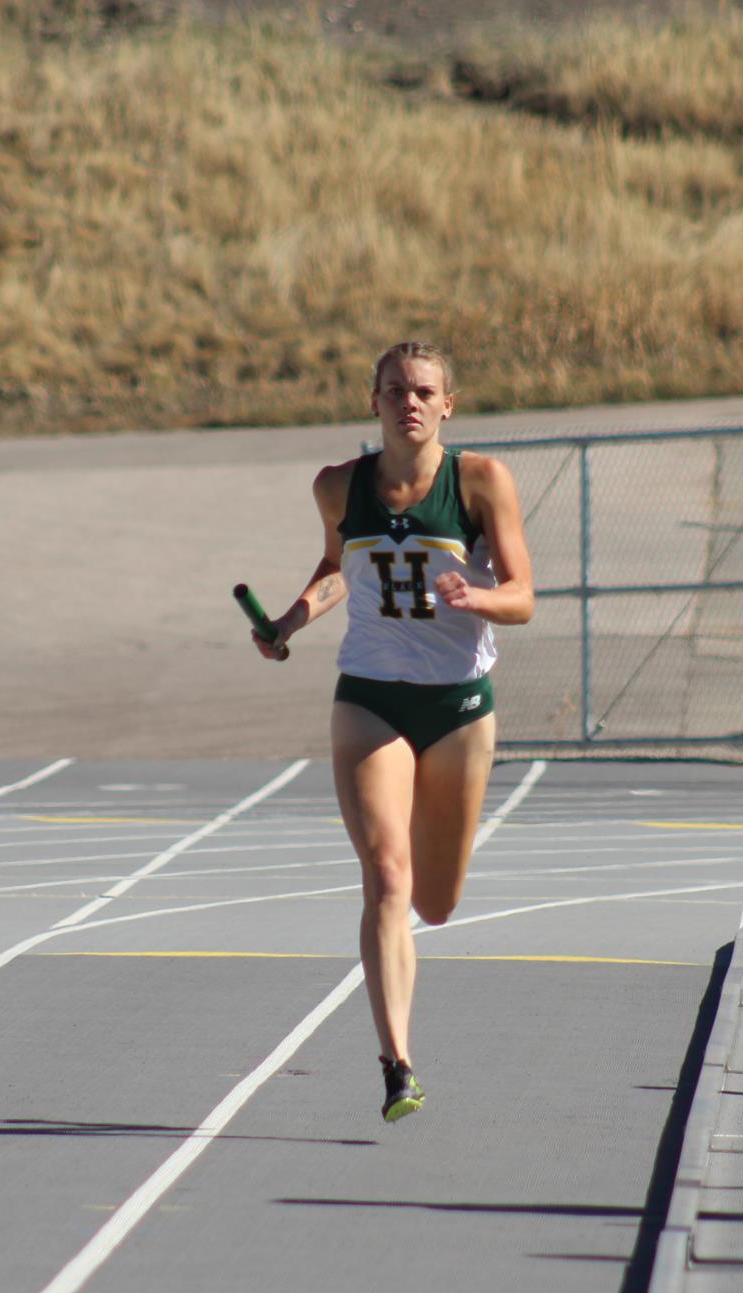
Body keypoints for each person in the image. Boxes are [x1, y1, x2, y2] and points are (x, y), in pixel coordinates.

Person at [250, 341, 533, 1122]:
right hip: (369, 698)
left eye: (424, 391)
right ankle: (396, 1063)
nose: (409, 402)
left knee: (434, 903)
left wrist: (479, 599)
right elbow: (337, 569)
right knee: (384, 874)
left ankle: (401, 1037)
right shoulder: (338, 485)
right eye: (395, 390)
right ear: (372, 401)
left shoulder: (479, 481)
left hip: (458, 705)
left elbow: (523, 594)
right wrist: (287, 622)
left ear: (448, 405)